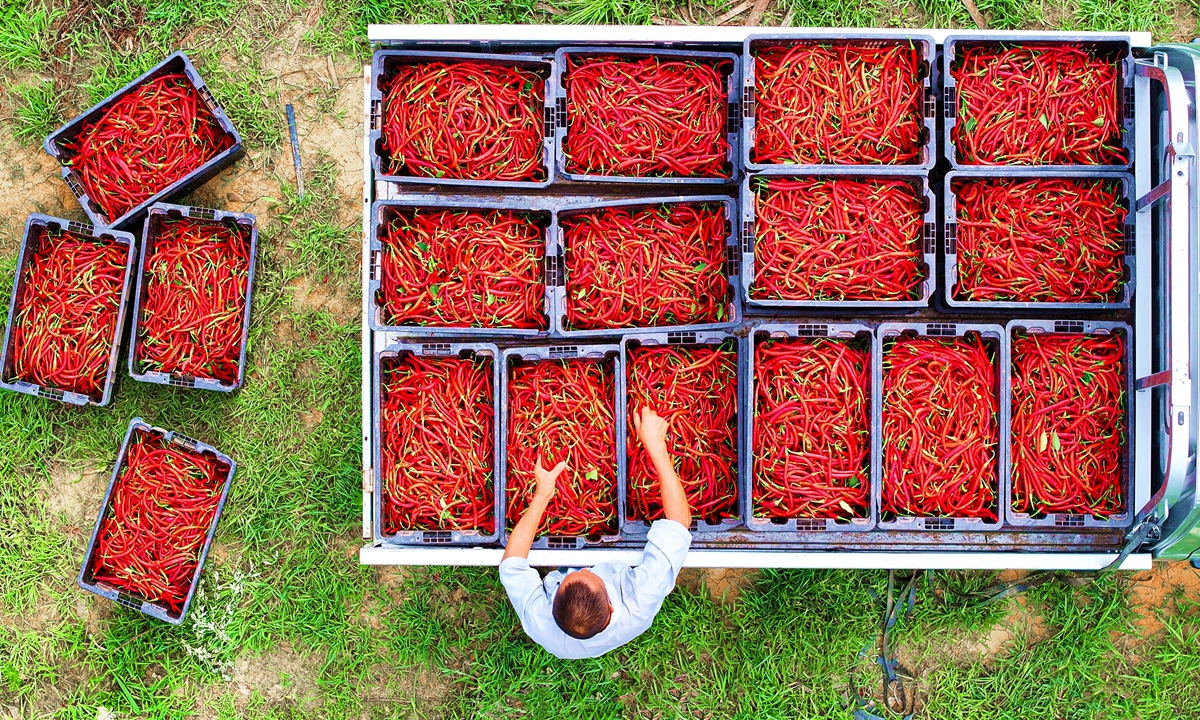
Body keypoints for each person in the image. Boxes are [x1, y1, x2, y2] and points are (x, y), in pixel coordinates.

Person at [498, 406, 691, 660]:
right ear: (612, 606)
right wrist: (656, 446)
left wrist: (543, 494)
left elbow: (512, 563)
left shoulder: (540, 621)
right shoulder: (641, 597)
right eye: (589, 575)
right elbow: (680, 521)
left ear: (551, 607)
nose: (583, 567)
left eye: (572, 575)